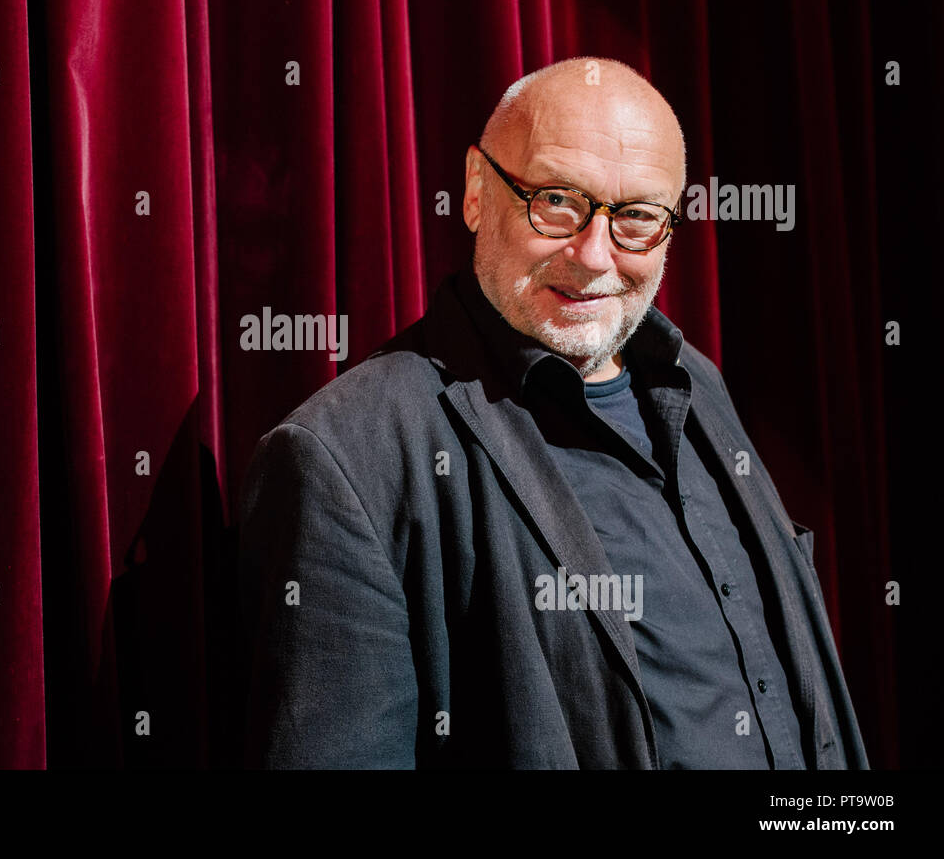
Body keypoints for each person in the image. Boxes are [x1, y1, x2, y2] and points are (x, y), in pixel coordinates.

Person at [236, 57, 868, 769]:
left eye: (635, 218)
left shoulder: (697, 384)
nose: (595, 255)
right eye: (558, 201)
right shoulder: (346, 455)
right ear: (477, 191)